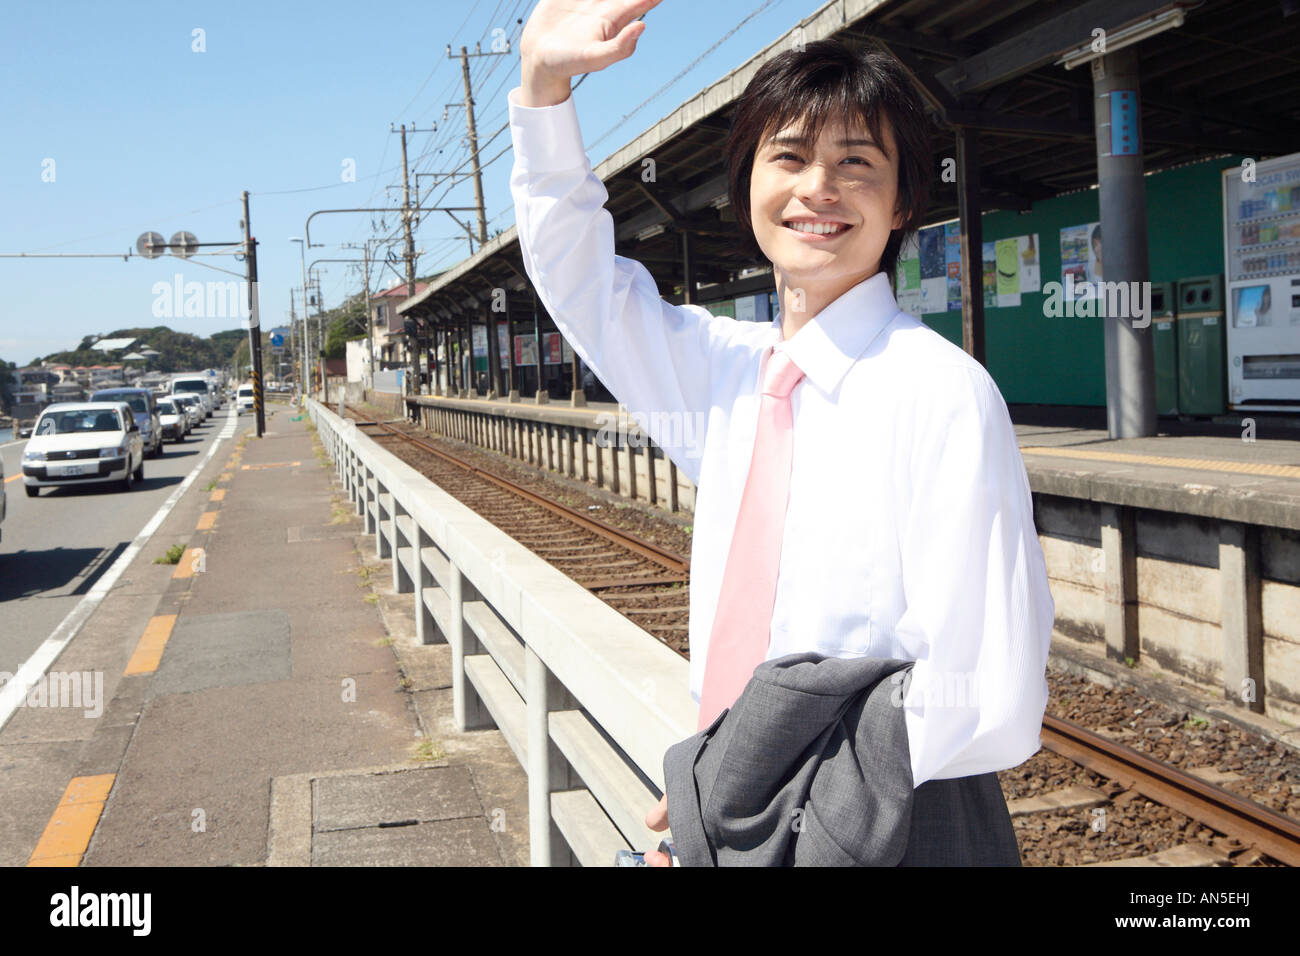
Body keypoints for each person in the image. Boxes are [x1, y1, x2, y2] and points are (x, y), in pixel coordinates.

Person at [511, 0, 1054, 866]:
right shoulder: (726, 371)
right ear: (749, 188)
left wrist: (780, 814)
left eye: (856, 163)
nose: (818, 190)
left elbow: (987, 689)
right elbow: (584, 286)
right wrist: (542, 87)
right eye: (790, 157)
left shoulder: (941, 394)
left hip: (871, 829)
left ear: (905, 201)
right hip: (731, 811)